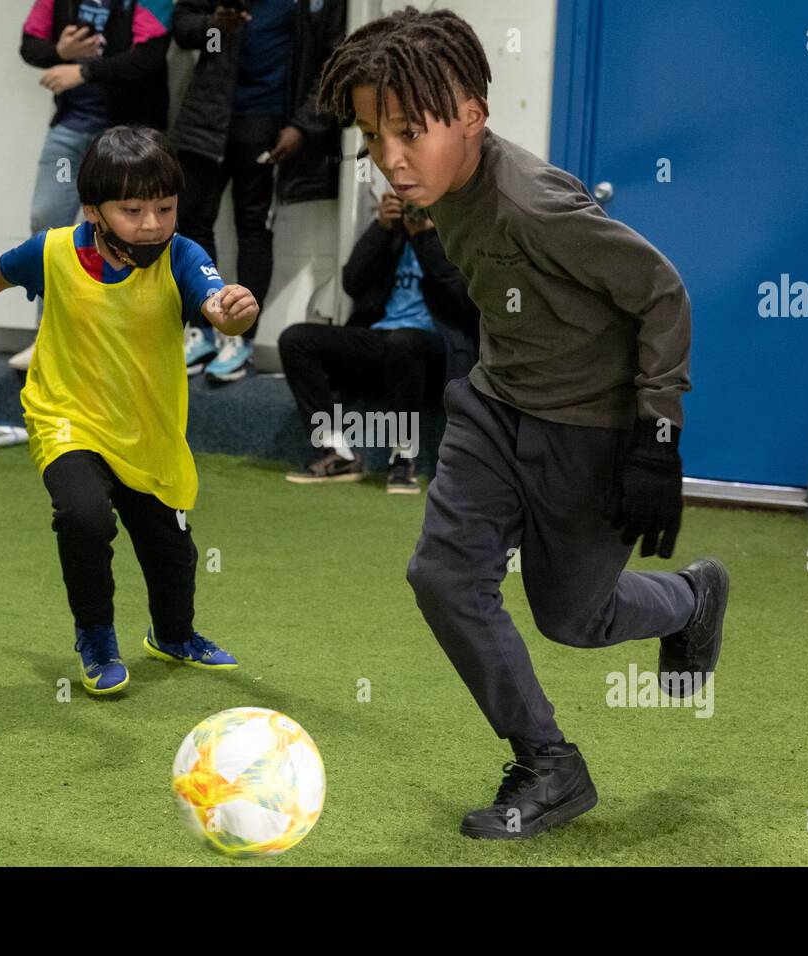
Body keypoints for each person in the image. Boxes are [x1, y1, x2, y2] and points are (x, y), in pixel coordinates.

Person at [317, 7, 729, 839]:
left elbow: (662, 295)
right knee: (442, 576)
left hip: (591, 428)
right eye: (372, 137)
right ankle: (549, 763)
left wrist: (657, 438)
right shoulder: (438, 192)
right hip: (495, 404)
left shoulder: (534, 203)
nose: (390, 159)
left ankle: (691, 598)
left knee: (572, 619)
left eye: (408, 131)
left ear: (472, 113)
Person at [0, 126, 257, 696]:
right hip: (65, 418)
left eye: (165, 207)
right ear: (93, 208)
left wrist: (235, 314)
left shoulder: (183, 255)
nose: (153, 223)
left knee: (173, 552)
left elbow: (218, 307)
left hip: (147, 432)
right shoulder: (53, 251)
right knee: (84, 518)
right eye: (132, 209)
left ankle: (174, 636)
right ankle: (95, 637)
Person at [170, 0, 346, 384]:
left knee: (252, 229)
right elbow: (182, 27)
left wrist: (302, 126)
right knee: (192, 227)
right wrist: (214, 25)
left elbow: (333, 62)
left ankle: (240, 338)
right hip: (206, 119)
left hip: (265, 124)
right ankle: (199, 331)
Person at [10, 0, 175, 371]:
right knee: (47, 223)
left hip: (129, 134)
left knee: (131, 234)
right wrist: (59, 52)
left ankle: (130, 344)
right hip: (71, 127)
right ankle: (48, 338)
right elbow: (30, 44)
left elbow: (147, 58)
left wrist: (83, 71)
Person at [279, 187, 476, 492]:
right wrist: (381, 228)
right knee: (296, 339)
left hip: (437, 349)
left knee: (403, 342)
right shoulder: (392, 234)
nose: (415, 210)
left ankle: (403, 457)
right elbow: (352, 283)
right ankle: (336, 451)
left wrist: (427, 237)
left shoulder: (460, 235)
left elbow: (463, 303)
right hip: (383, 338)